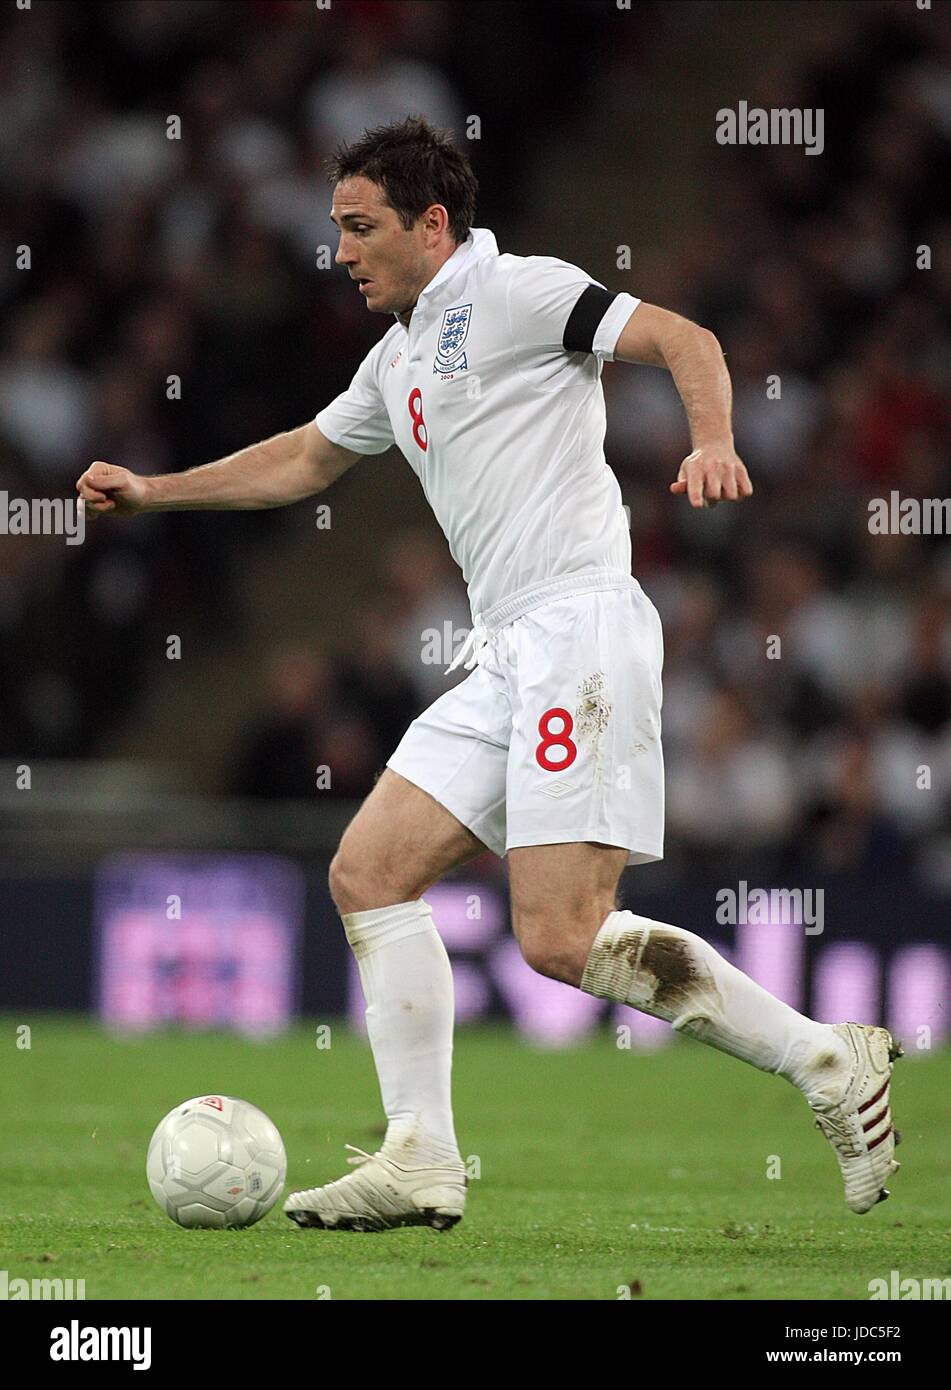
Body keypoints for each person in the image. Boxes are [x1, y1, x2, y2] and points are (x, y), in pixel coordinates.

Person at [76, 116, 901, 1233]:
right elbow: (306, 457)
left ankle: (826, 1061)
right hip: (507, 650)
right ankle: (421, 1155)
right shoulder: (398, 355)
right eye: (334, 230)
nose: (342, 252)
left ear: (431, 223)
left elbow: (687, 337)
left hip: (580, 630)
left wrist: (711, 439)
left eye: (360, 228)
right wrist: (156, 491)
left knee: (561, 935)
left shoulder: (518, 292)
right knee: (368, 873)